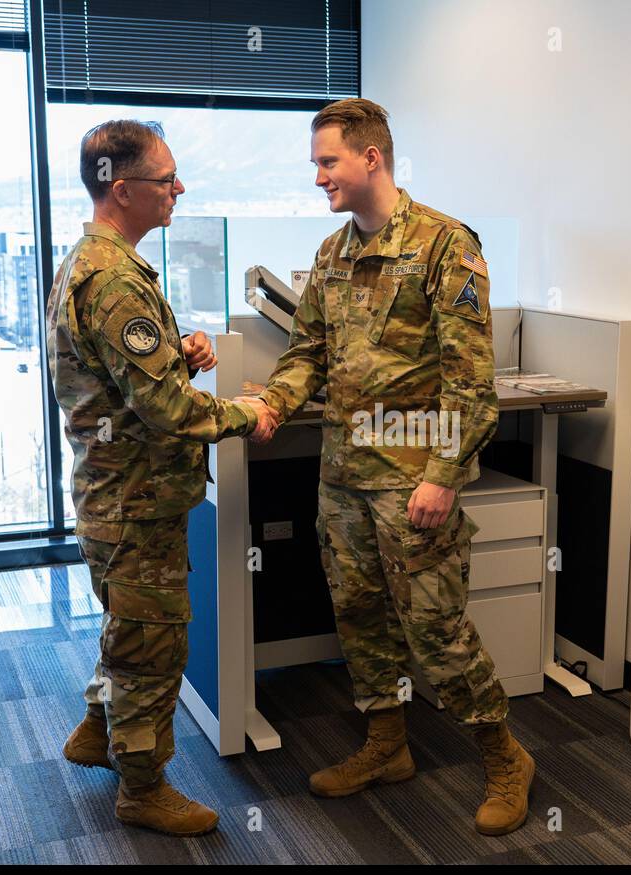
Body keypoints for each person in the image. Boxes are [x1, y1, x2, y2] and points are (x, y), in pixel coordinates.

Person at [251, 98, 534, 835]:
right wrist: (275, 405)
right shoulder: (332, 254)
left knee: (437, 629)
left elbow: (472, 381)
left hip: (412, 479)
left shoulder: (445, 244)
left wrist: (444, 475)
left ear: (370, 157)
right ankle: (386, 745)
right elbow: (307, 353)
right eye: (317, 163)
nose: (318, 177)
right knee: (360, 618)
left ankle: (505, 757)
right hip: (342, 475)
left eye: (327, 161)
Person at [46, 119, 277, 837]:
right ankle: (142, 789)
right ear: (123, 190)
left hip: (114, 493)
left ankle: (96, 728)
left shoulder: (94, 263)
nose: (180, 189)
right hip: (134, 500)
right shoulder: (115, 280)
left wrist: (177, 349)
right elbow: (166, 409)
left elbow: (118, 374)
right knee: (154, 645)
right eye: (166, 179)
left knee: (130, 625)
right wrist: (247, 413)